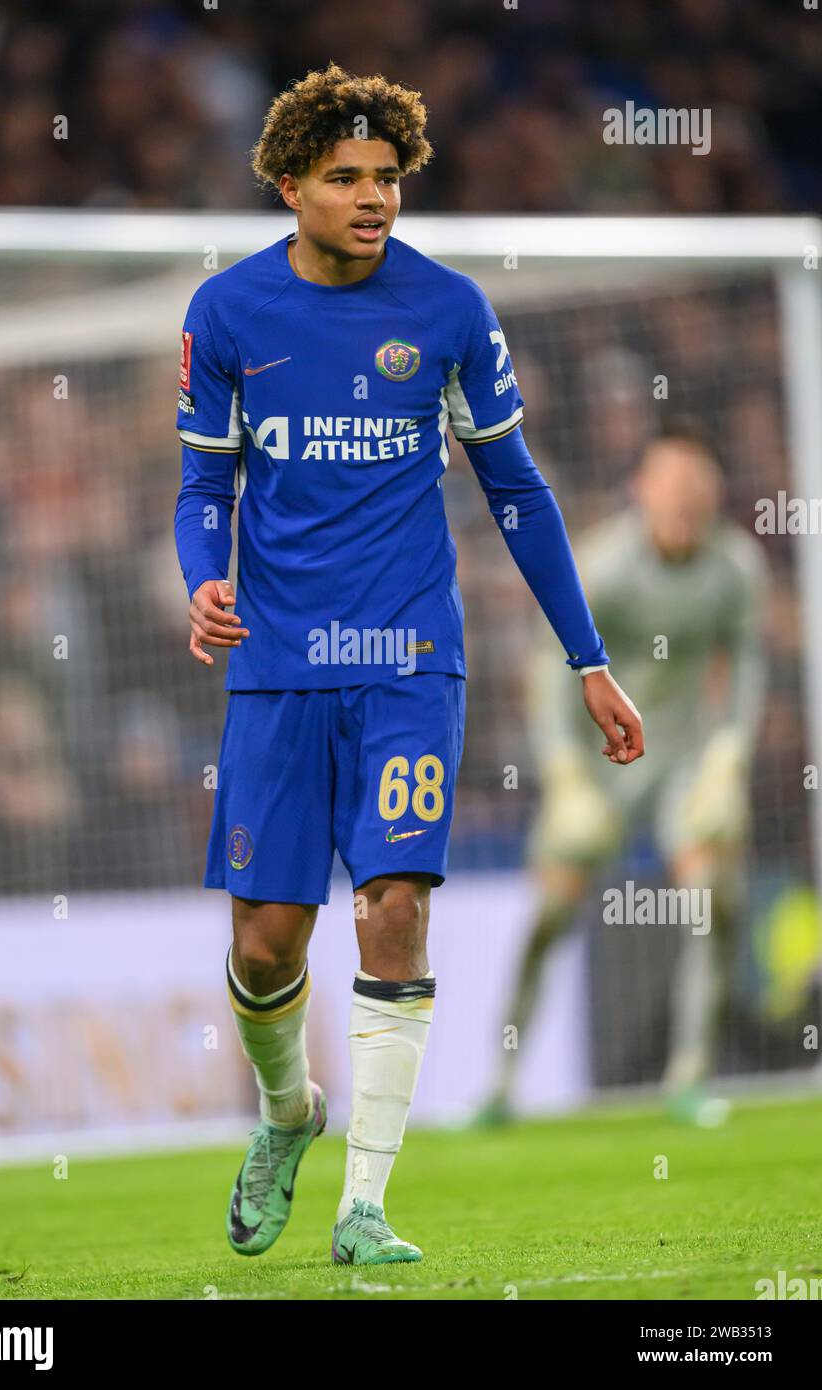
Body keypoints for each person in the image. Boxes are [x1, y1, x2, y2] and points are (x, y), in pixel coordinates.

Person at [173, 62, 643, 1265]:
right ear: (290, 185)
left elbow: (518, 493)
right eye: (345, 179)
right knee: (266, 942)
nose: (373, 198)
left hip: (408, 660)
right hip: (276, 667)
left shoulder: (446, 312)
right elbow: (202, 484)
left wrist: (587, 658)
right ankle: (288, 1112)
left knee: (394, 909)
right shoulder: (226, 316)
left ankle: (365, 1205)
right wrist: (203, 580)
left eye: (387, 178)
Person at [476, 424, 768, 1129]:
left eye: (696, 484)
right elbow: (550, 663)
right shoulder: (603, 564)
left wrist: (730, 757)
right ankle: (500, 1083)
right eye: (669, 482)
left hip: (684, 759)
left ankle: (689, 1077)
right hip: (599, 763)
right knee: (550, 913)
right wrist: (564, 772)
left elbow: (748, 666)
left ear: (715, 494)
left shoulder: (735, 569)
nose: (683, 497)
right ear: (641, 488)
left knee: (712, 899)